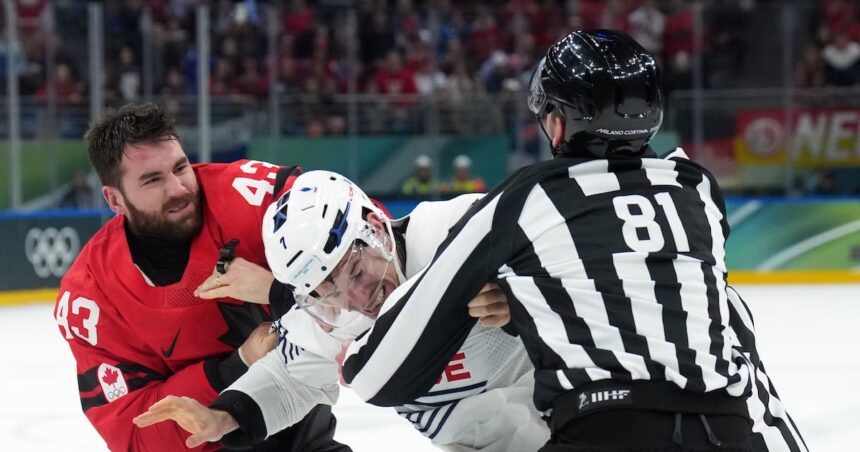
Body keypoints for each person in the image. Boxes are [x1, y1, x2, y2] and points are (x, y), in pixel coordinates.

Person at [339, 30, 807, 452]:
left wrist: (354, 359)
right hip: (728, 428)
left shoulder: (527, 197)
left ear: (558, 125)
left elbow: (383, 377)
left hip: (604, 426)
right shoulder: (698, 188)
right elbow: (703, 313)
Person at [133, 170, 549, 452]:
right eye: (326, 292)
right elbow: (286, 378)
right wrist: (221, 418)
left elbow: (593, 268)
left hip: (578, 419)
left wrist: (521, 299)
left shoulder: (465, 228)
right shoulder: (330, 318)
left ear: (374, 225)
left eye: (355, 271)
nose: (357, 299)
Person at [53, 103, 349, 452]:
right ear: (114, 200)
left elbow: (378, 255)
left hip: (306, 440)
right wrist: (236, 366)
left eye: (181, 167)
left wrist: (278, 291)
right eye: (153, 180)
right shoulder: (93, 294)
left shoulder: (252, 198)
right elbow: (134, 435)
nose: (178, 188)